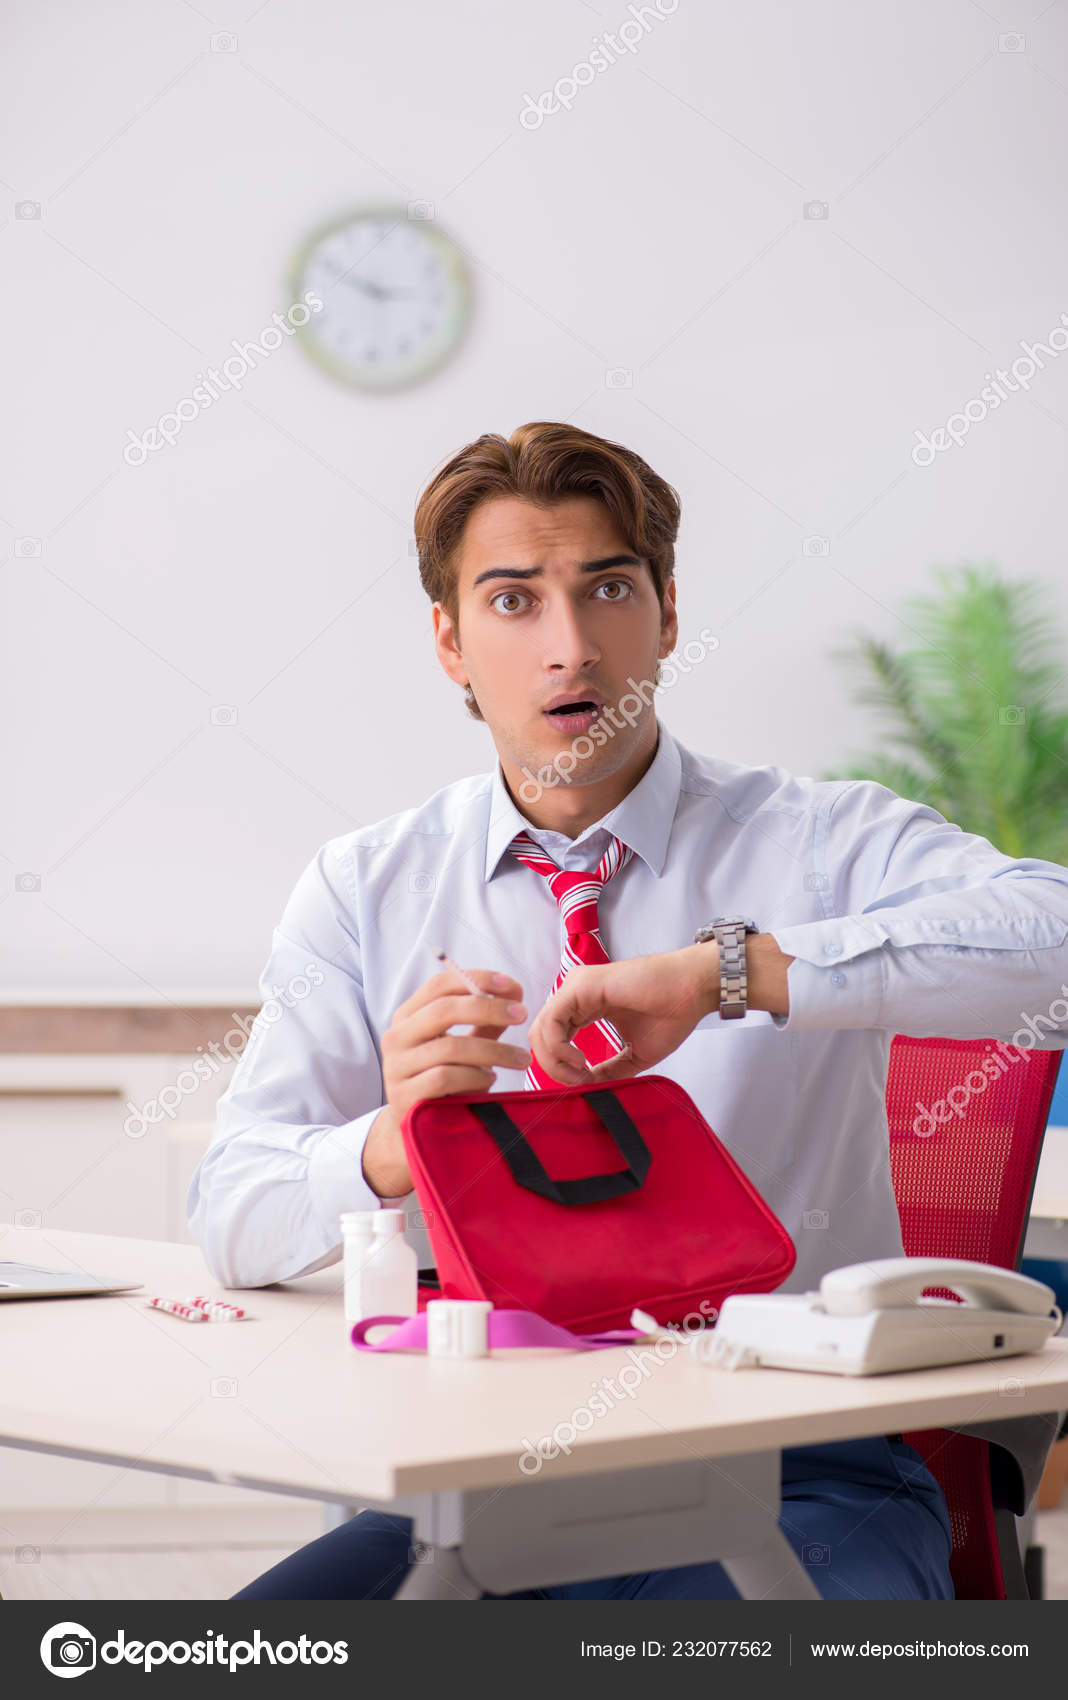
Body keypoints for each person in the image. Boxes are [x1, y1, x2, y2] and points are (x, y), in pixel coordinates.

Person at [187, 421, 1068, 1600]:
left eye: (607, 588)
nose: (569, 646)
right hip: (486, 1475)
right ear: (450, 641)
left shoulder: (816, 838)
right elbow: (233, 1206)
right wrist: (394, 1145)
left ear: (664, 612)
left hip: (799, 1462)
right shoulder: (367, 886)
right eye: (512, 601)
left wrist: (729, 973)